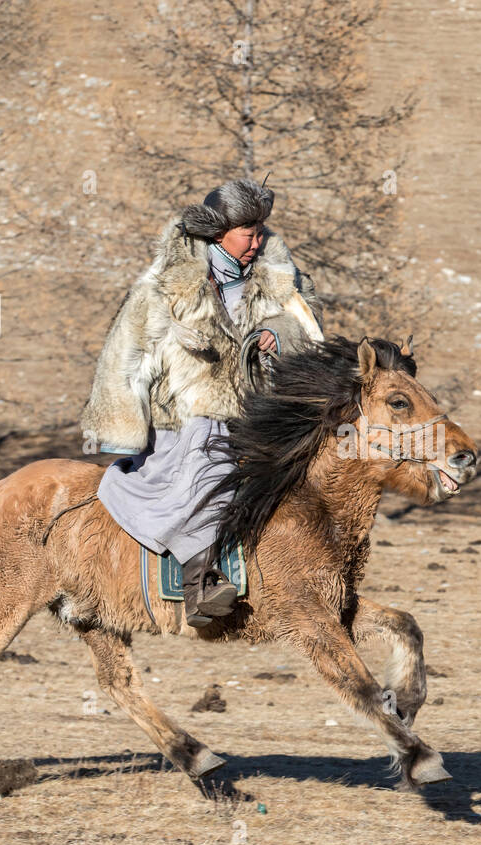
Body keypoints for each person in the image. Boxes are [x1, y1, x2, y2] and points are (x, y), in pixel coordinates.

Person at [80, 177, 323, 625]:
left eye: (260, 232)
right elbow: (124, 352)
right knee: (207, 463)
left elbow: (308, 326)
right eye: (248, 233)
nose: (257, 241)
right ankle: (201, 586)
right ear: (217, 234)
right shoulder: (164, 286)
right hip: (182, 416)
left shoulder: (279, 278)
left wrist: (278, 334)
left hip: (254, 412)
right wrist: (119, 426)